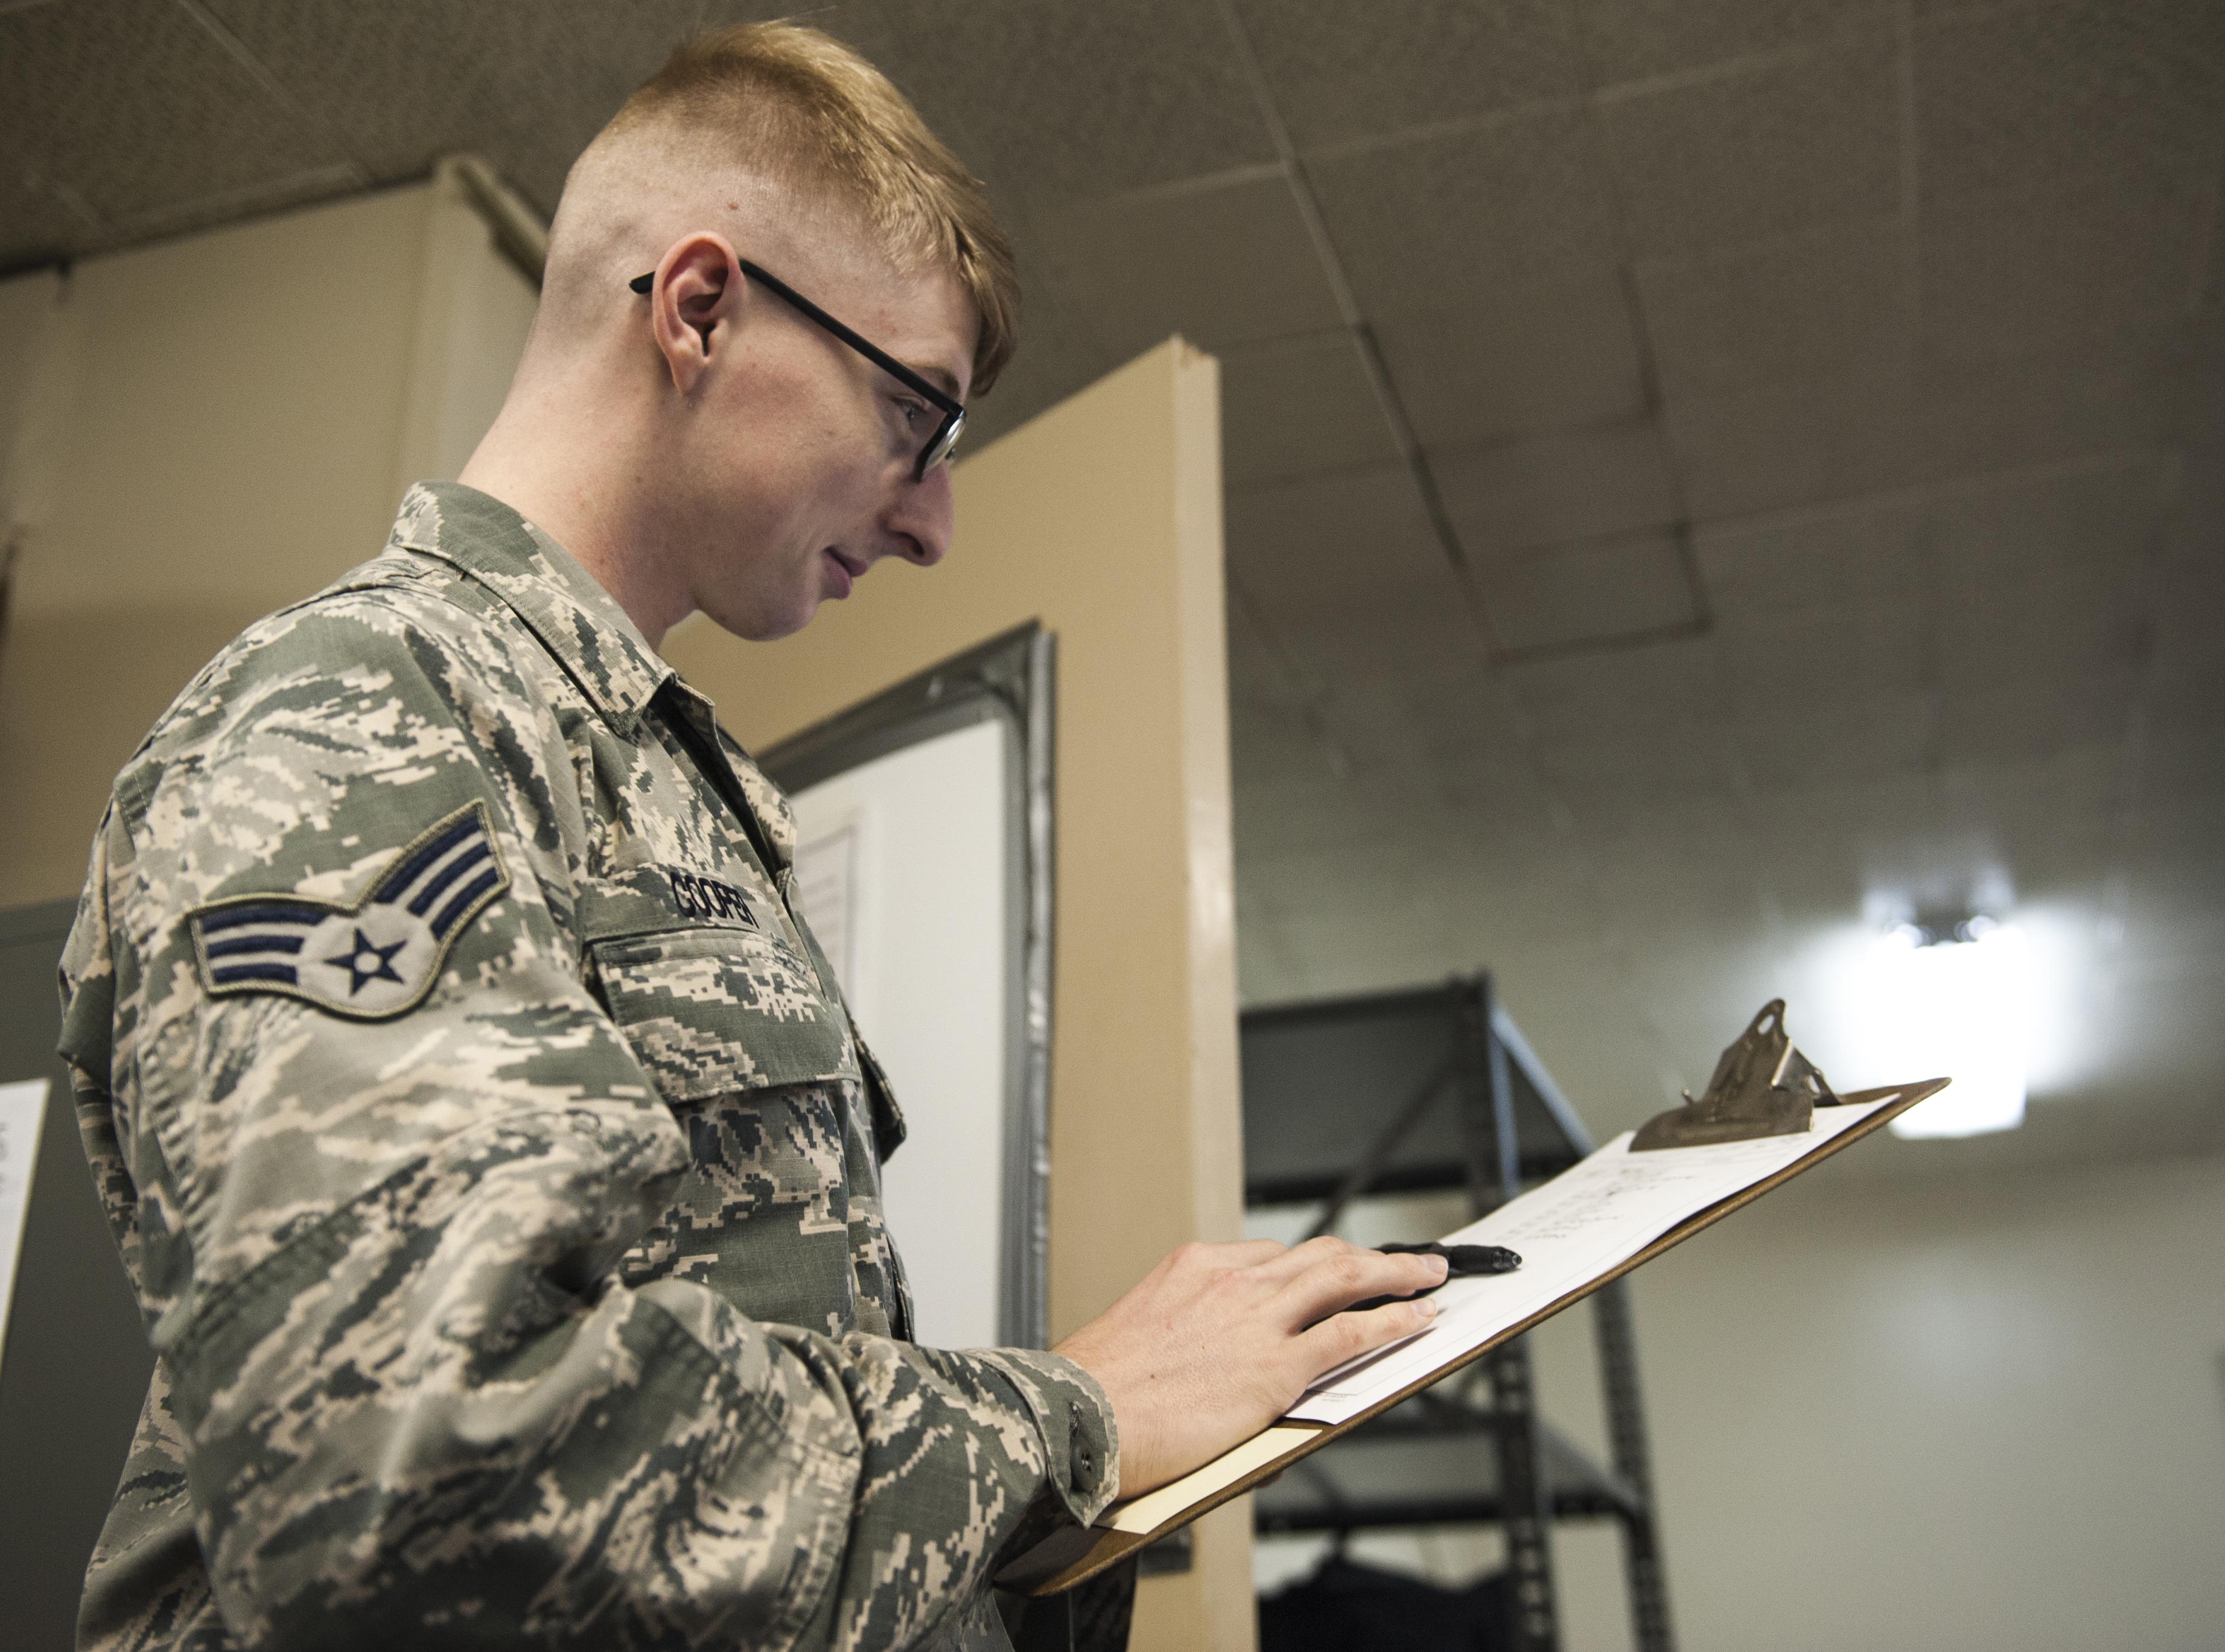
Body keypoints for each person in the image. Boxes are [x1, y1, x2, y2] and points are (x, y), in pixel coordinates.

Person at [54, 22, 1447, 1651]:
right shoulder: (357, 711)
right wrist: (1073, 1419)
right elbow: (424, 1475)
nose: (932, 520)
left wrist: (1099, 1478)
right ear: (701, 308)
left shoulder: (649, 772)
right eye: (915, 413)